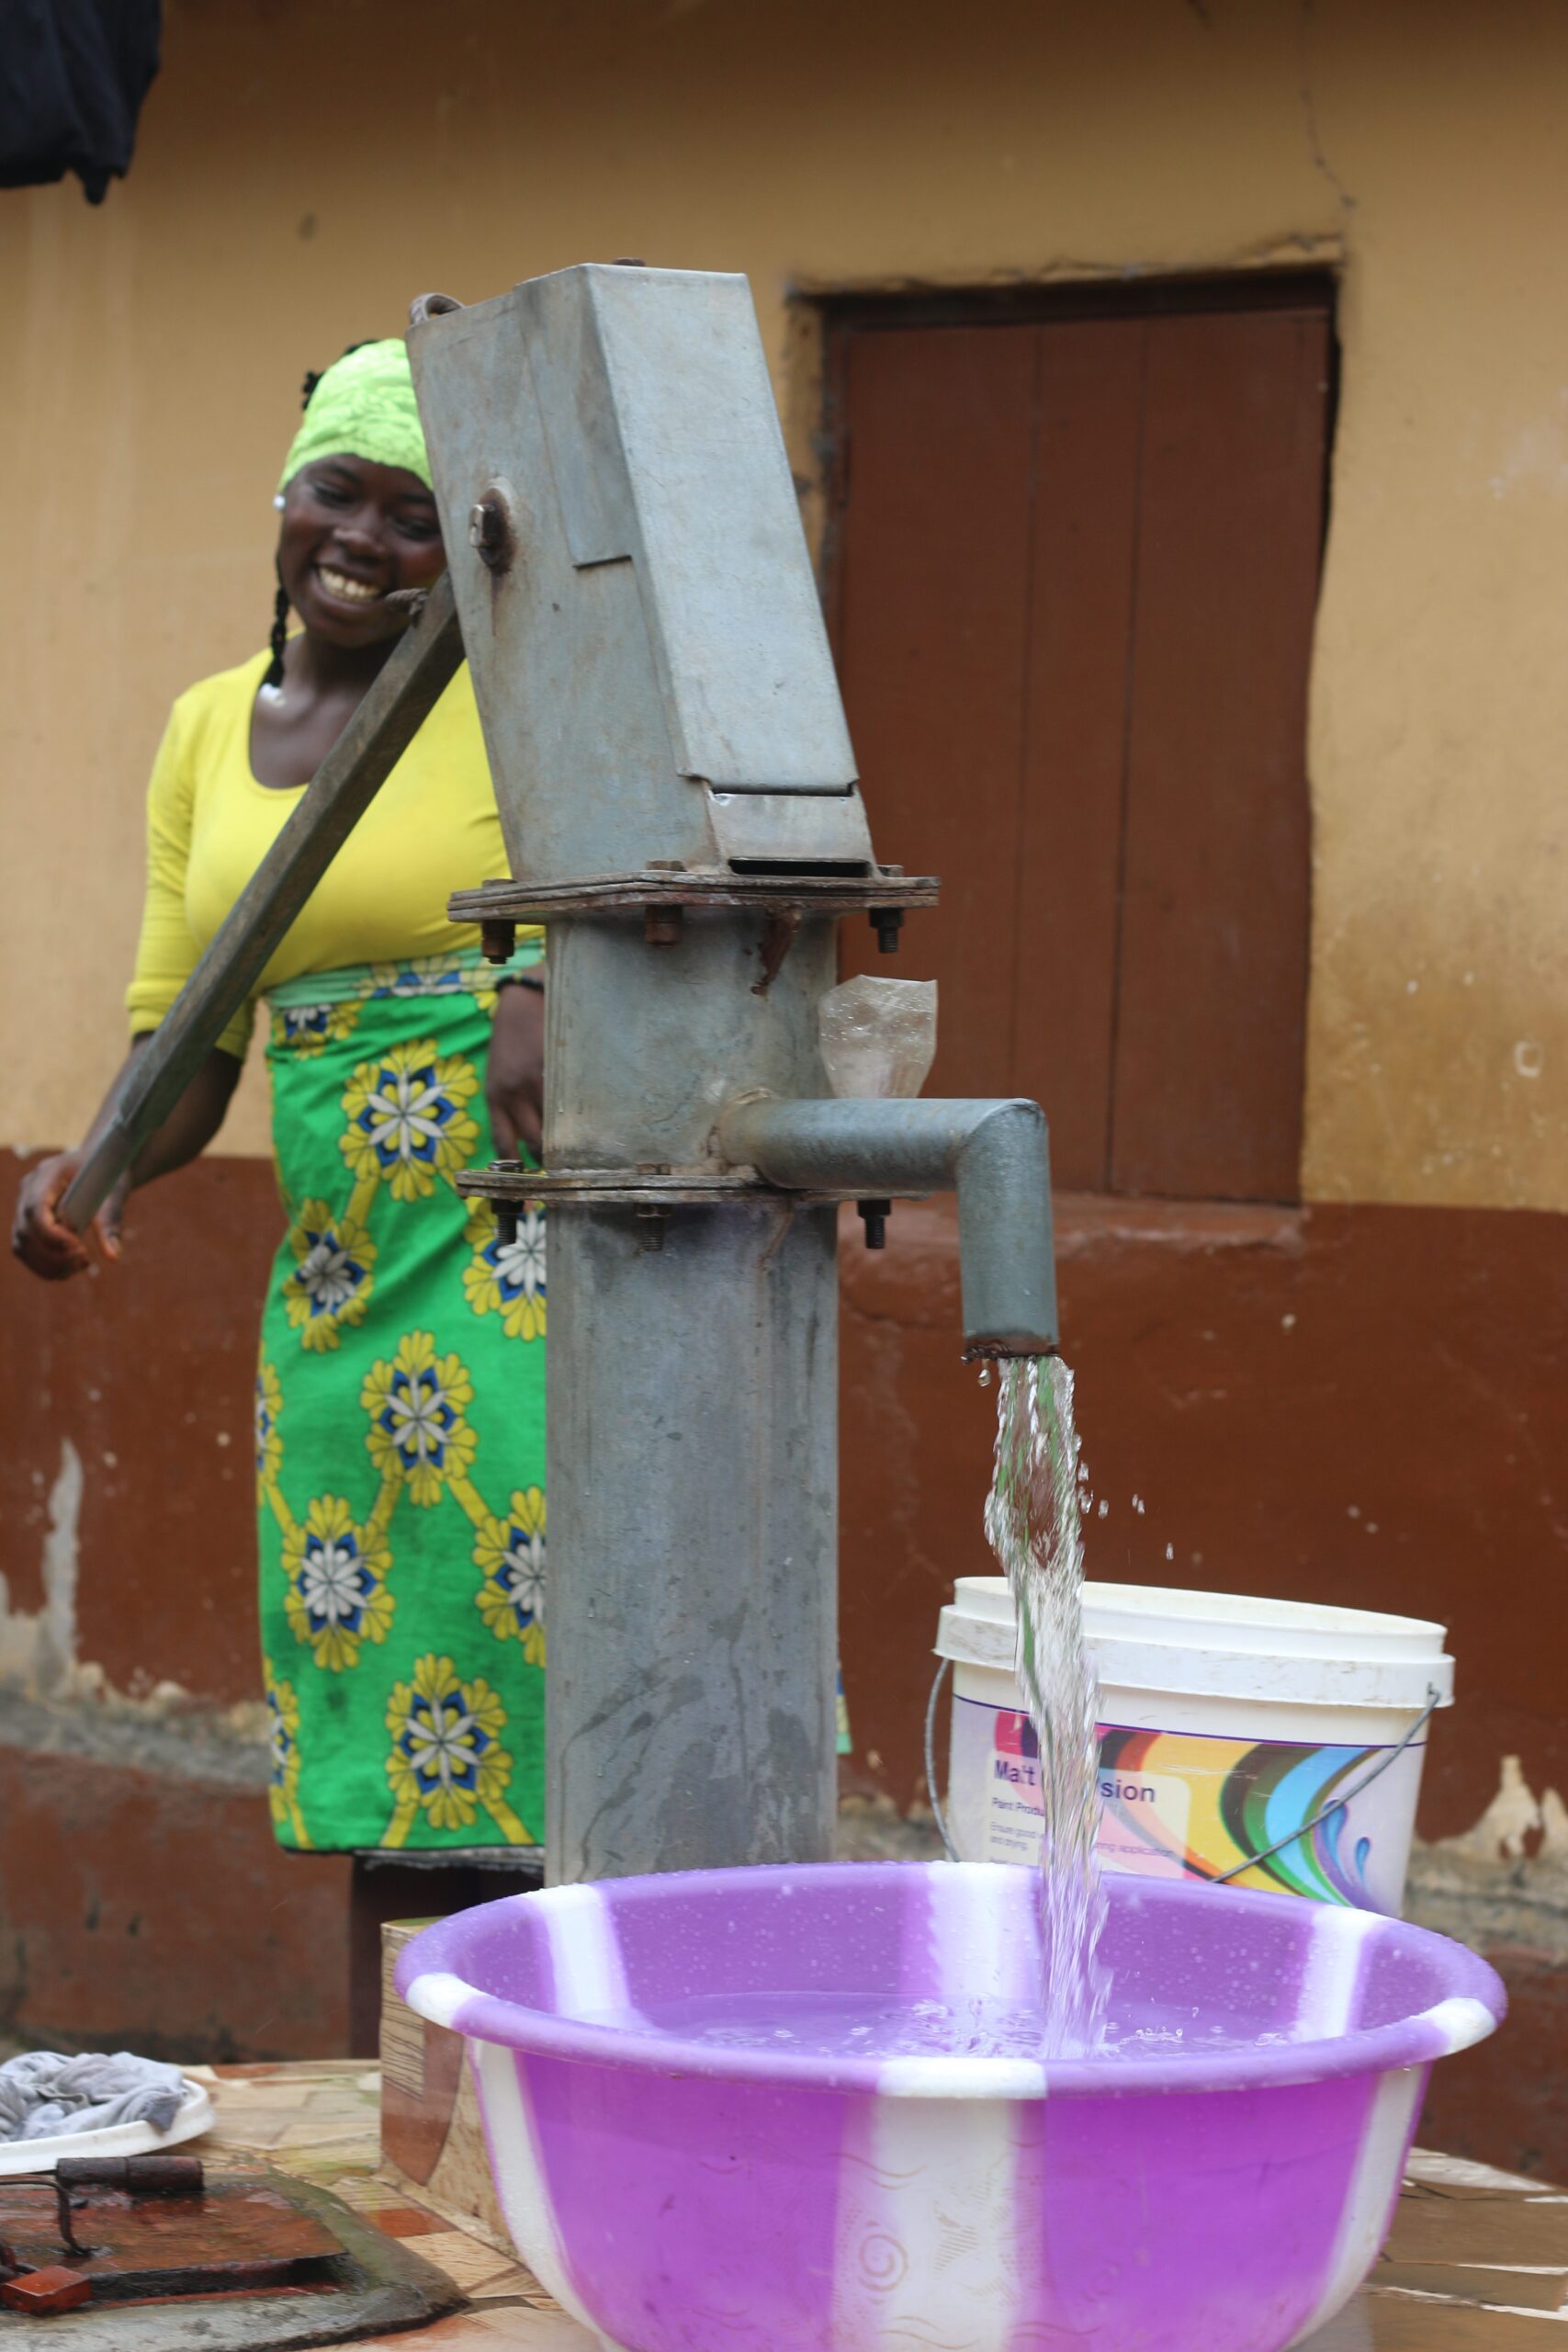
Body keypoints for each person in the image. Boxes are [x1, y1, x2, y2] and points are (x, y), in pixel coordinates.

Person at [11, 339, 548, 2052]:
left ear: (454, 549)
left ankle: (572, 2116)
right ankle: (406, 2128)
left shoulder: (524, 685)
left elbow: (616, 905)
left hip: (520, 1257)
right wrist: (84, 1173)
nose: (363, 541)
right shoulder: (199, 734)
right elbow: (186, 1036)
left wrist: (541, 983)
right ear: (285, 498)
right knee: (382, 1719)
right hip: (337, 1284)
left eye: (410, 514)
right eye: (337, 493)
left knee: (541, 1693)